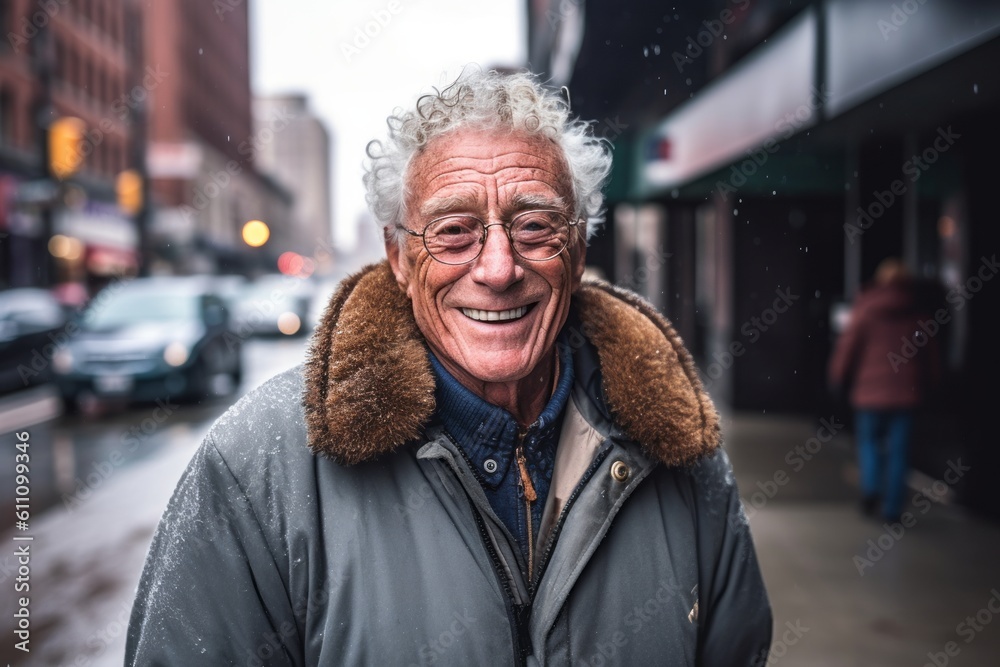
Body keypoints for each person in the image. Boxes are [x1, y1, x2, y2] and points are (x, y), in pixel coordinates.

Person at [126, 69, 772, 665]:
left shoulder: (679, 448)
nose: (497, 269)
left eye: (536, 225)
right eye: (455, 231)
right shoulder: (257, 468)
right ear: (400, 259)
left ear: (576, 251)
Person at [829, 258, 941, 522]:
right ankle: (892, 507)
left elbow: (848, 348)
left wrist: (837, 377)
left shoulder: (865, 308)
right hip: (906, 394)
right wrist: (933, 385)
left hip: (870, 392)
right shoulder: (917, 312)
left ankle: (871, 489)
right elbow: (931, 358)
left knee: (868, 443)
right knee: (899, 451)